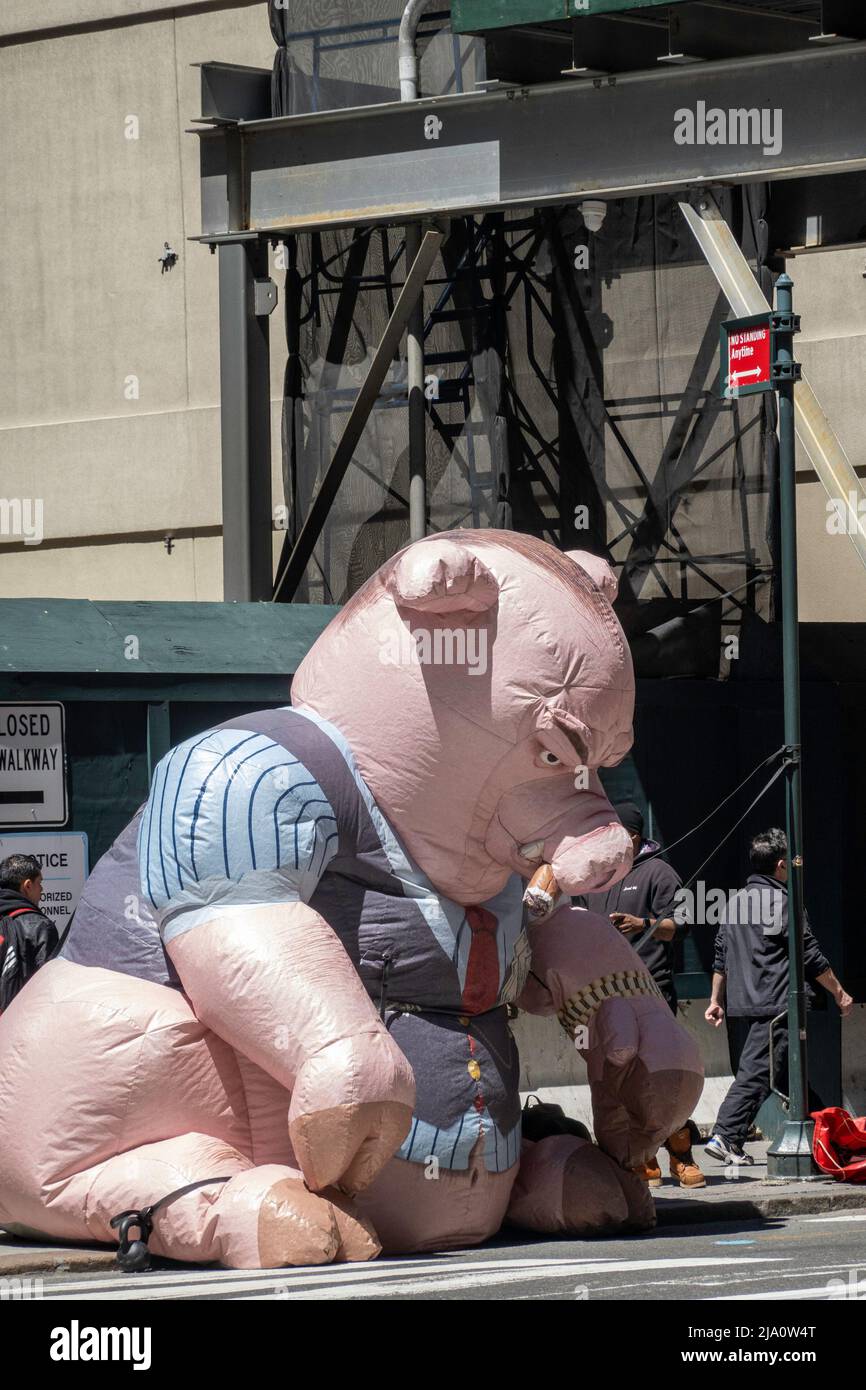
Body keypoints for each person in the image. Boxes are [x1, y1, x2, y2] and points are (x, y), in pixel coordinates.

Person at [705, 827, 853, 1166]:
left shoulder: (734, 903)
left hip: (743, 1006)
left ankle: (828, 1135)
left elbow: (720, 957)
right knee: (758, 1075)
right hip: (777, 1005)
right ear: (782, 865)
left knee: (786, 1076)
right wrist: (840, 992)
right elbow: (809, 955)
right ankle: (725, 1135)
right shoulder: (783, 902)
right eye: (795, 861)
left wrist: (716, 1000)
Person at [576, 801, 705, 1189]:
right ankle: (641, 1159)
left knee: (660, 1076)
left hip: (651, 992)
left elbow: (686, 921)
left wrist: (644, 924)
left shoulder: (657, 871)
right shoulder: (593, 878)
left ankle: (681, 1155)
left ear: (632, 836)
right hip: (605, 997)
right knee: (618, 1082)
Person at [0, 853, 59, 1013]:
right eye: (39, 883)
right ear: (27, 886)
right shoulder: (40, 926)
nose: (41, 889)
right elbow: (48, 986)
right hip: (21, 1023)